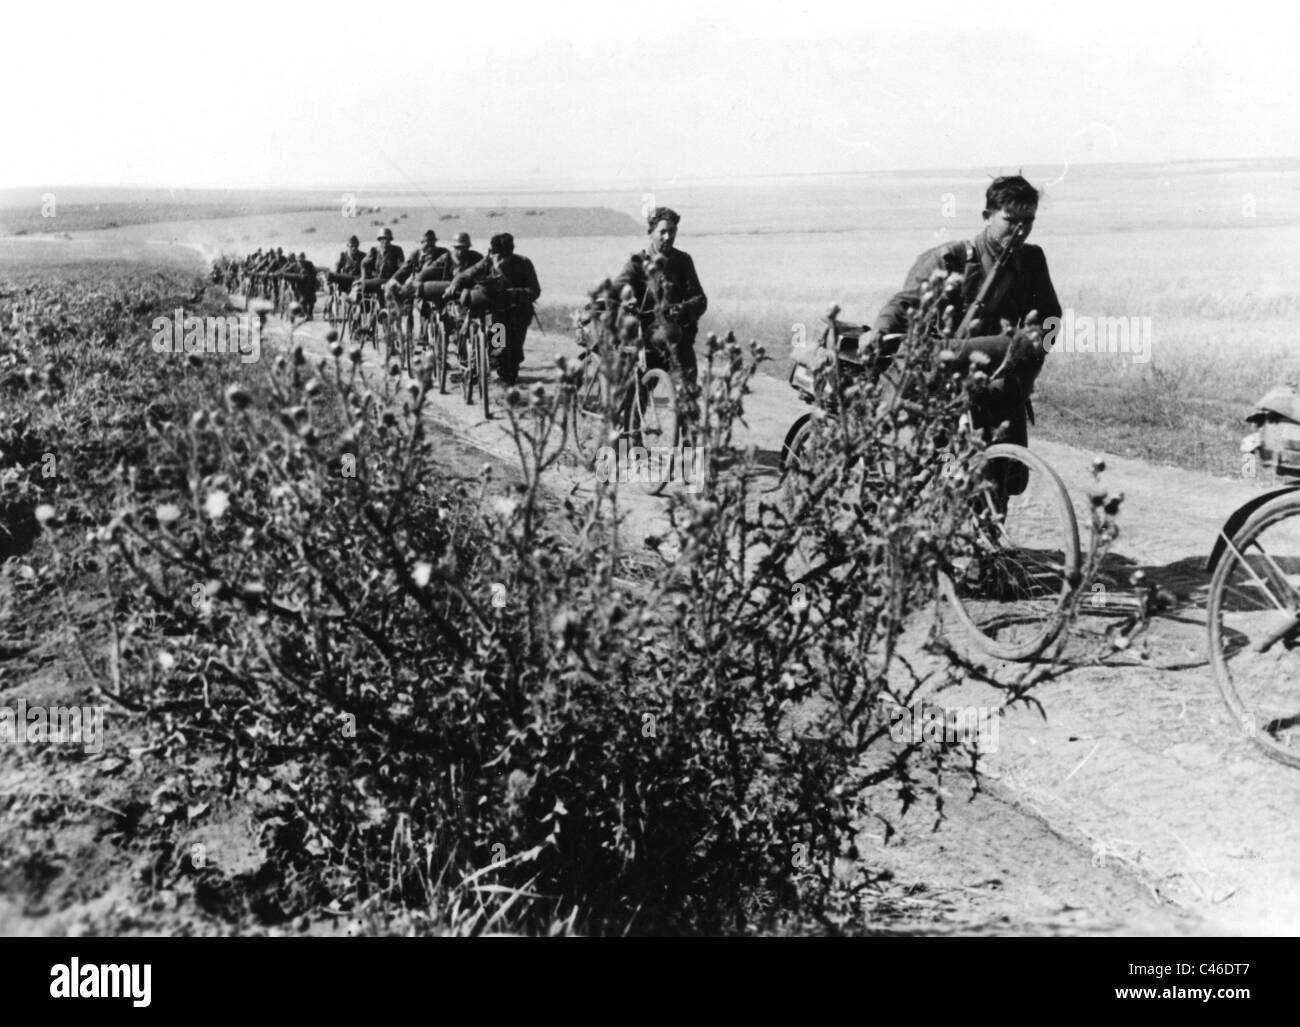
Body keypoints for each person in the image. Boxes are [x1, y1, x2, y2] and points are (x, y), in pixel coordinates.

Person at [863, 174, 1062, 453]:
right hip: (948, 370)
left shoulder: (1032, 261)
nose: (1020, 230)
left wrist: (1038, 348)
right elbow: (905, 304)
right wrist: (879, 331)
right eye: (1011, 221)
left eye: (1028, 221)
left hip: (1000, 373)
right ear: (987, 216)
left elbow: (1051, 316)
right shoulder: (950, 258)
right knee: (948, 463)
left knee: (1012, 476)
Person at [612, 206, 707, 385]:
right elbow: (616, 291)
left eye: (672, 232)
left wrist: (684, 309)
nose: (668, 237)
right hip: (644, 342)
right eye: (662, 232)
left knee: (687, 395)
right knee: (633, 394)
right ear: (651, 233)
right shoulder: (638, 263)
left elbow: (700, 299)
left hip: (676, 339)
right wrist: (626, 302)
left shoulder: (683, 261)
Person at [447, 232, 540, 385]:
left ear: (510, 253)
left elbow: (534, 290)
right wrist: (456, 282)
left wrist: (514, 294)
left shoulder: (524, 263)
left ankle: (509, 374)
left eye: (503, 256)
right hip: (497, 312)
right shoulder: (488, 261)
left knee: (515, 347)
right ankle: (497, 370)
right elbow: (468, 274)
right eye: (496, 255)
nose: (499, 259)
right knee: (499, 343)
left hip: (519, 312)